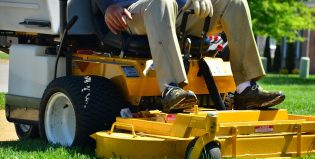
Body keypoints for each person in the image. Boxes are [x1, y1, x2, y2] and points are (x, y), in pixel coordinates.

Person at [96, 0, 285, 112]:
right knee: (162, 2)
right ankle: (171, 89)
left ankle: (245, 89)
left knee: (234, 2)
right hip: (130, 13)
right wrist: (107, 7)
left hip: (176, 9)